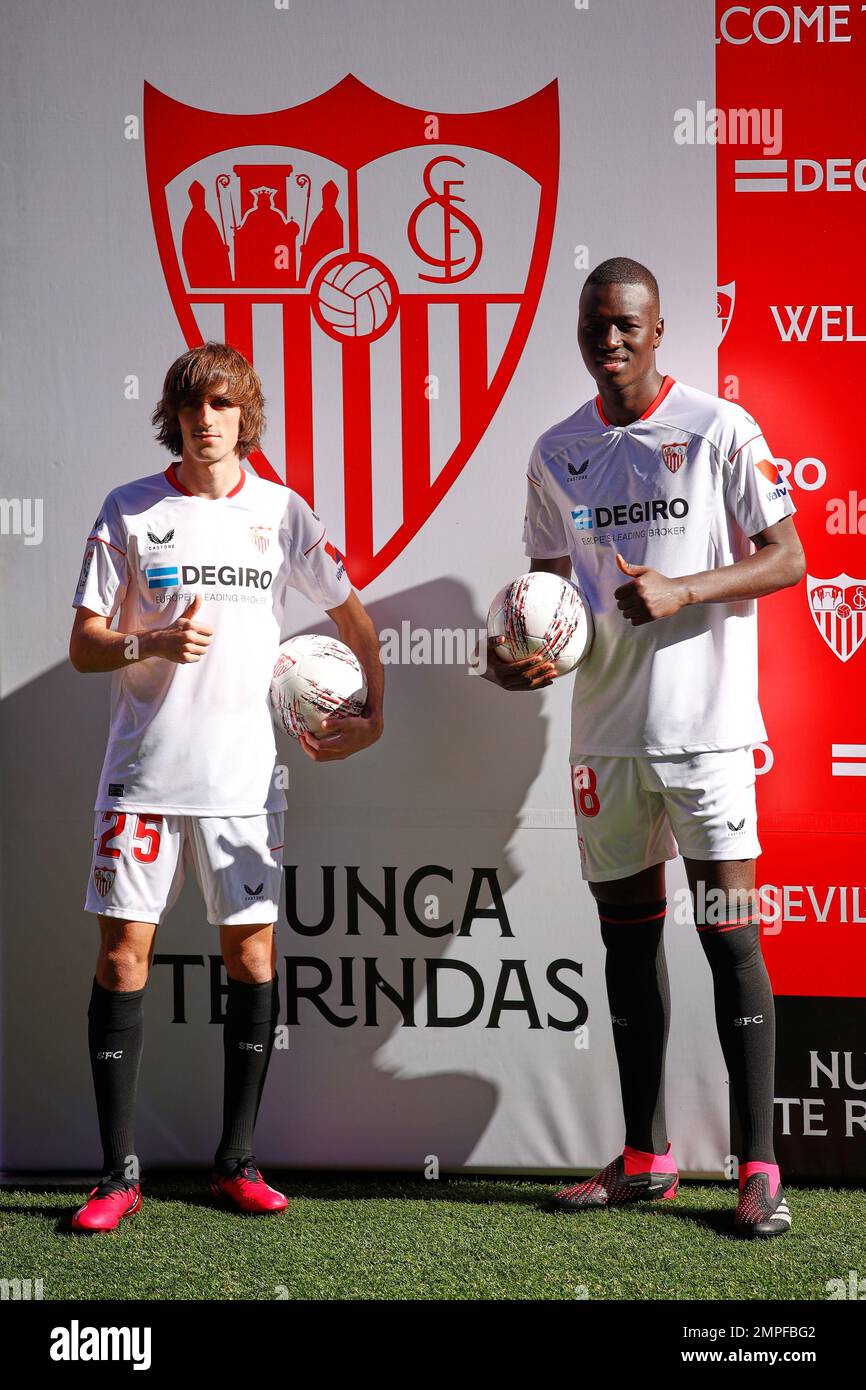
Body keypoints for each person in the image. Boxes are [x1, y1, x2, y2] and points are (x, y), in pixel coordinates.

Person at [481, 257, 805, 1238]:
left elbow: (788, 557)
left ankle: (756, 1166)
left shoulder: (718, 429)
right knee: (624, 950)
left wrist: (681, 589)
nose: (609, 339)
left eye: (626, 323)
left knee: (727, 936)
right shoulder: (554, 451)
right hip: (605, 741)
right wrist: (517, 663)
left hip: (705, 738)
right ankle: (644, 1158)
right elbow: (548, 606)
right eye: (594, 325)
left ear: (658, 328)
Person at [68, 341, 383, 1230]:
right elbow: (84, 642)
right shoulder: (129, 510)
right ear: (174, 416)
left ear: (247, 414)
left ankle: (236, 1161)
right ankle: (116, 1174)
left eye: (222, 405)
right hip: (141, 781)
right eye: (192, 406)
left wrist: (377, 711)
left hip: (245, 787)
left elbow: (352, 611)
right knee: (123, 960)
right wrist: (149, 643)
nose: (206, 421)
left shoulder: (281, 514)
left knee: (251, 959)